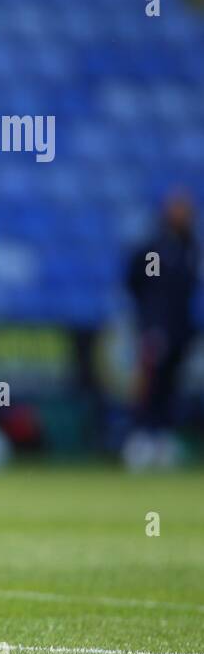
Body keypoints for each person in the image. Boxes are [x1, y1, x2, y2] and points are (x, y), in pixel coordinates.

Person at [123, 189, 199, 469]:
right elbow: (134, 284)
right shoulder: (153, 248)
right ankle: (141, 438)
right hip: (156, 327)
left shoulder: (190, 247)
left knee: (171, 384)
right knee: (150, 384)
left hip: (181, 328)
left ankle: (163, 438)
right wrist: (150, 321)